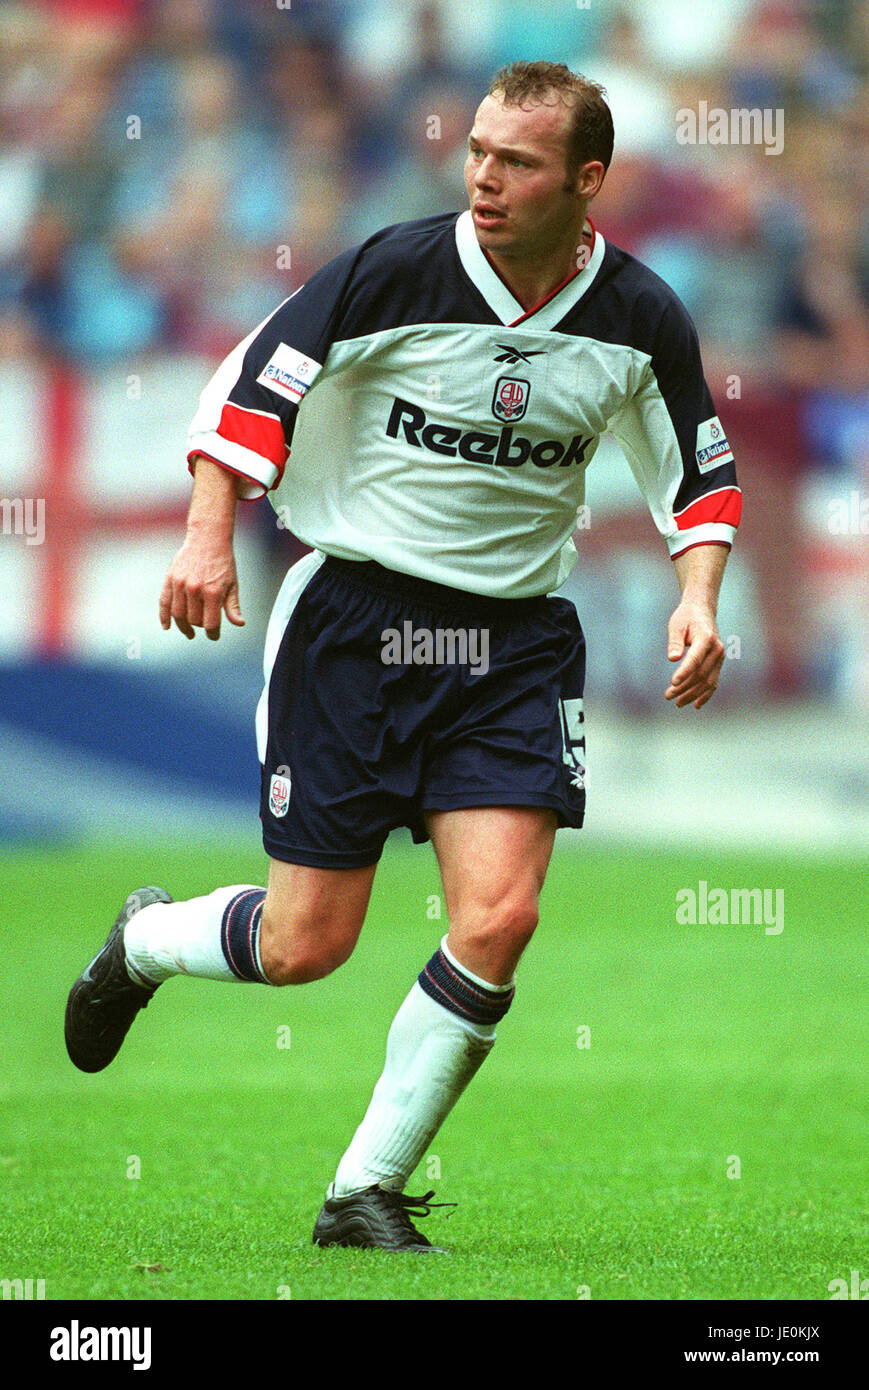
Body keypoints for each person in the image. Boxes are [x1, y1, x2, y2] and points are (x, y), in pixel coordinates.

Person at [64, 61, 741, 1253]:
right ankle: (143, 941)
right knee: (304, 946)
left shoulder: (637, 316)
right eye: (477, 151)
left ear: (586, 181)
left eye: (516, 161)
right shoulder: (394, 268)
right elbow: (249, 394)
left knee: (500, 916)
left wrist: (698, 596)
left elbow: (694, 474)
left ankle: (360, 1192)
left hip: (514, 643)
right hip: (354, 628)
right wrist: (207, 535)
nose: (483, 177)